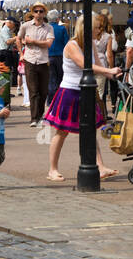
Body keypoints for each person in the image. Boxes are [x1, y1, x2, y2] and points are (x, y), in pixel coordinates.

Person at [44, 15, 121, 181]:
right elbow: (85, 65)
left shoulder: (91, 43)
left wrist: (112, 75)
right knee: (61, 132)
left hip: (86, 91)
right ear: (87, 28)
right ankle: (52, 169)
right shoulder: (72, 45)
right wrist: (109, 71)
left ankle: (100, 167)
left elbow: (99, 66)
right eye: (97, 27)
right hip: (69, 92)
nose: (100, 30)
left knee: (90, 129)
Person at [17, 3, 54, 127]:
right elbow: (18, 38)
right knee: (33, 91)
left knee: (43, 91)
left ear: (44, 13)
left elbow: (48, 44)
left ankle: (40, 115)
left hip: (43, 61)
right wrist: (20, 54)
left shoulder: (49, 28)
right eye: (36, 11)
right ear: (32, 13)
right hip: (30, 61)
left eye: (41, 11)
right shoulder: (26, 26)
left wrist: (32, 41)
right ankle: (34, 118)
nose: (38, 13)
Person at [49, 13, 70, 92]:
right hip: (60, 56)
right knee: (60, 78)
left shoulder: (46, 28)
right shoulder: (62, 29)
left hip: (48, 55)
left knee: (51, 79)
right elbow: (66, 43)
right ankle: (58, 97)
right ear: (57, 19)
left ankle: (50, 100)